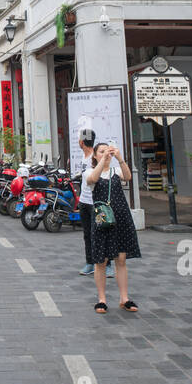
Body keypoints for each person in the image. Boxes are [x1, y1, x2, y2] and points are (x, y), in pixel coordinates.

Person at [85, 141, 140, 314]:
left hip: (121, 218)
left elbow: (128, 176)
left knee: (121, 259)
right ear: (94, 156)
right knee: (101, 261)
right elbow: (92, 179)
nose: (105, 153)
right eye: (101, 152)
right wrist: (103, 161)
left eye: (106, 151)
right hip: (102, 221)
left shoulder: (116, 171)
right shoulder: (90, 172)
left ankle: (124, 298)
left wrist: (119, 158)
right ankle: (102, 299)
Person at [76, 130, 114, 278]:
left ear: (81, 142)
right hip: (84, 201)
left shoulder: (96, 156)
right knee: (87, 234)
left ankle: (108, 264)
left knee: (102, 233)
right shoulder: (83, 157)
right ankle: (90, 262)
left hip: (96, 202)